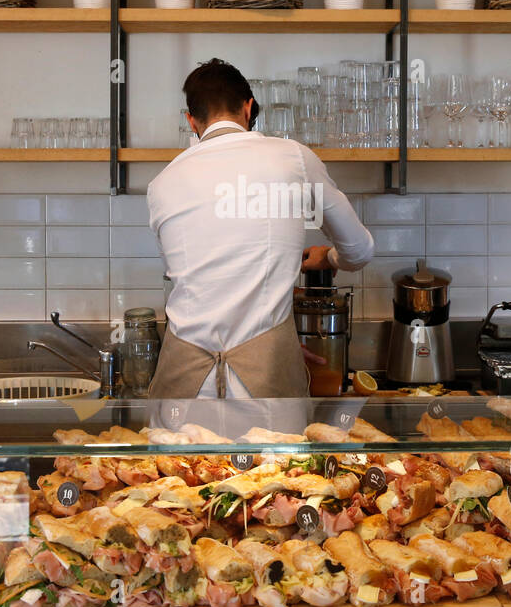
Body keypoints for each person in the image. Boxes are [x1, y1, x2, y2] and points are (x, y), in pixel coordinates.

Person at [146, 59, 374, 398]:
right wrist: (328, 257)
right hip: (265, 378)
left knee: (187, 455)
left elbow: (206, 276)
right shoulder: (292, 158)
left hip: (184, 383)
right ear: (249, 107)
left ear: (191, 121)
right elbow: (359, 250)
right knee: (277, 455)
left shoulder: (162, 184)